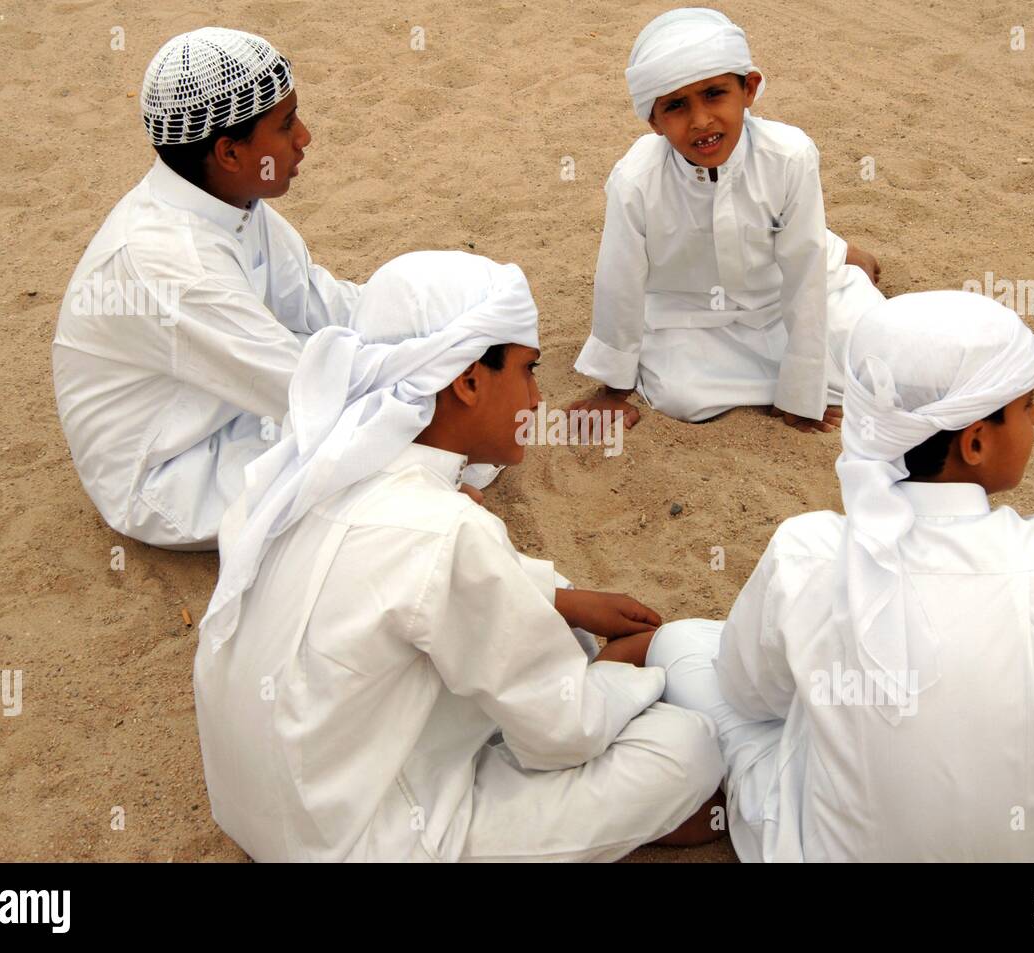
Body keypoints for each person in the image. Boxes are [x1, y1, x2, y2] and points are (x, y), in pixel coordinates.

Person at [193, 251, 724, 862]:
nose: (536, 398)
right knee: (684, 749)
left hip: (269, 810)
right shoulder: (445, 528)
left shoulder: (290, 480)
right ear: (469, 381)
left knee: (527, 639)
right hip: (367, 840)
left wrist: (558, 599)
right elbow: (565, 734)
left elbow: (420, 585)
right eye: (528, 371)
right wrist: (623, 669)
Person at [645, 290, 1034, 861]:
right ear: (975, 441)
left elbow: (750, 696)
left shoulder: (808, 550)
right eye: (1027, 404)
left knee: (683, 644)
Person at [53, 28, 500, 550]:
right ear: (229, 152)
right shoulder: (174, 266)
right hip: (175, 473)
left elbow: (317, 303)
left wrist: (440, 327)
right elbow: (304, 392)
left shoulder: (228, 200)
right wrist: (433, 447)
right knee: (435, 451)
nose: (304, 137)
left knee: (448, 324)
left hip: (233, 401)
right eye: (286, 124)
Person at [569, 8, 883, 434]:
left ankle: (840, 253)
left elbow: (803, 272)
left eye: (714, 94)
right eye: (676, 106)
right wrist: (614, 389)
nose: (701, 121)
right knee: (680, 396)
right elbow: (618, 283)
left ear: (748, 89)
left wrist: (801, 391)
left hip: (779, 292)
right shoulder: (635, 181)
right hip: (694, 313)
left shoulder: (789, 155)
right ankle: (838, 251)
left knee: (873, 356)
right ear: (654, 121)